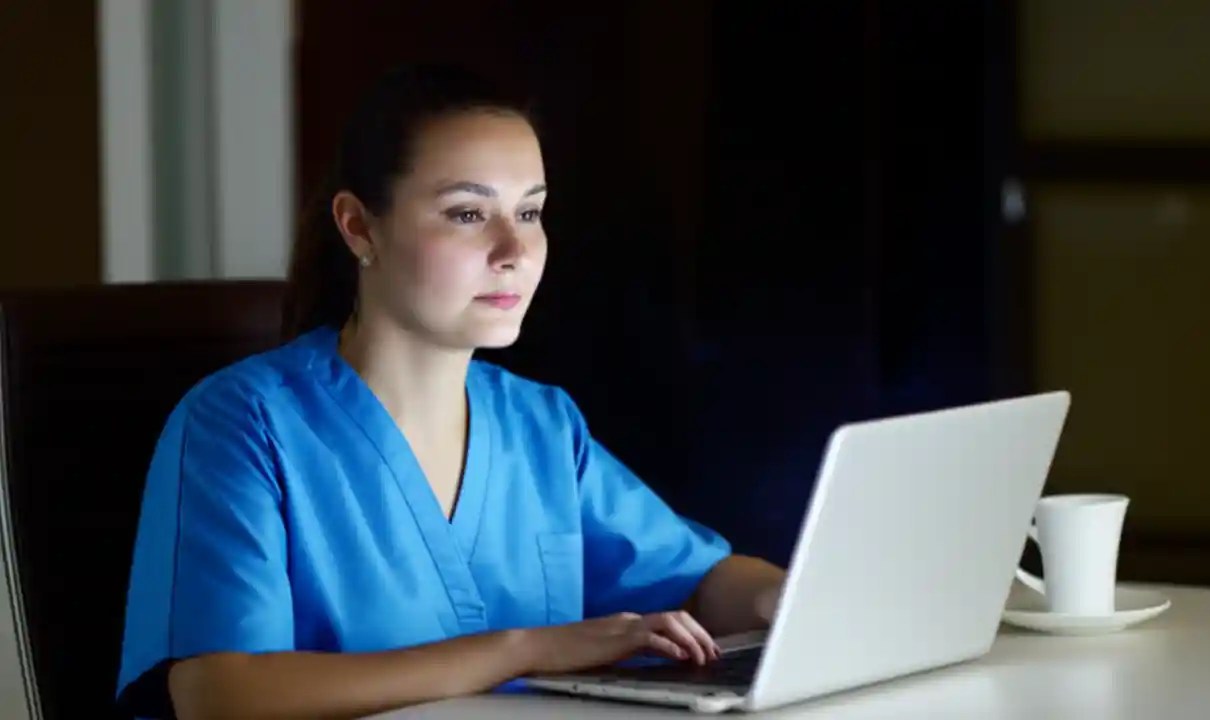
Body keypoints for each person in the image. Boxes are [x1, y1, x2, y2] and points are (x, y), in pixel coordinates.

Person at [116, 63, 786, 720]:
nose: (514, 250)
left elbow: (701, 579)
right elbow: (220, 694)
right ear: (359, 227)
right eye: (468, 213)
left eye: (530, 212)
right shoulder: (243, 423)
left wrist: (790, 598)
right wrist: (524, 650)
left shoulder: (541, 426)